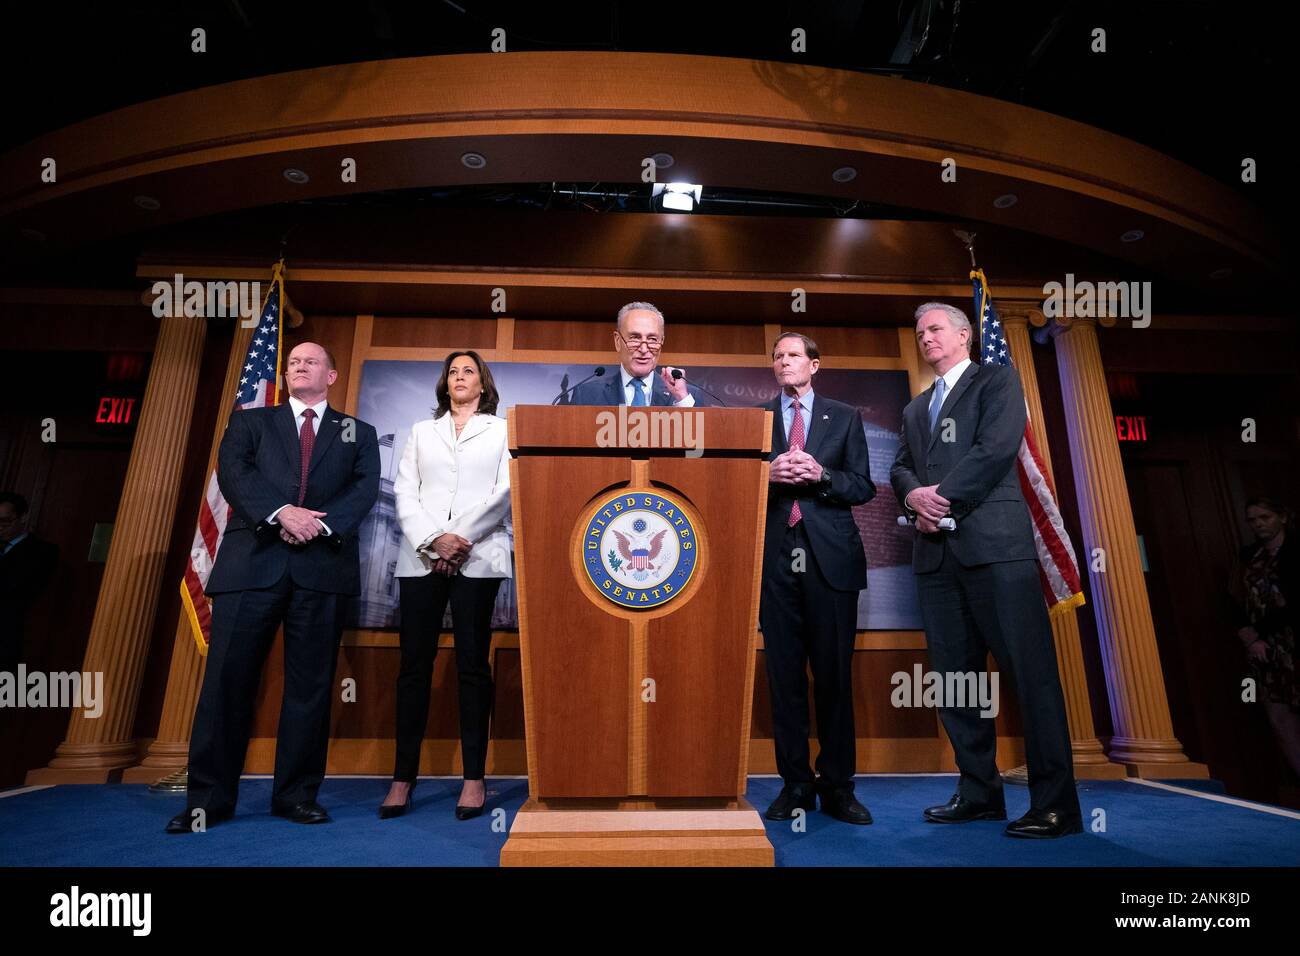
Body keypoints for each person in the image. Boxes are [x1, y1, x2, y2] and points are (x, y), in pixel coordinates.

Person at [167, 342, 380, 833]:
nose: (298, 367)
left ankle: (296, 796)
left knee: (310, 689)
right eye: (292, 363)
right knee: (225, 686)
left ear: (331, 375)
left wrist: (318, 526)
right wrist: (282, 513)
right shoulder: (251, 423)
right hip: (251, 567)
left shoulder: (358, 433)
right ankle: (208, 801)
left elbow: (365, 487)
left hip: (322, 569)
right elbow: (234, 474)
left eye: (310, 362)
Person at [891, 302, 1081, 838]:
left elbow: (995, 451)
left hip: (998, 554)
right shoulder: (915, 408)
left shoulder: (997, 381)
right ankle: (979, 793)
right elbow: (900, 466)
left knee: (1032, 678)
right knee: (957, 684)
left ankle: (1056, 806)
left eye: (934, 328)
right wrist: (914, 498)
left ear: (964, 335)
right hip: (935, 561)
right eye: (919, 330)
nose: (925, 337)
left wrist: (938, 500)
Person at [381, 350, 512, 820]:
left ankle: (474, 779)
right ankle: (402, 779)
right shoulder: (421, 431)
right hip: (421, 559)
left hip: (479, 558)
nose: (460, 377)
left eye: (468, 371)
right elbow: (404, 491)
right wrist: (436, 540)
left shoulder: (502, 430)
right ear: (445, 383)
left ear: (482, 384)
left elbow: (505, 490)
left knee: (473, 666)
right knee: (414, 667)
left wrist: (462, 539)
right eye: (453, 371)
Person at [758, 332, 875, 825]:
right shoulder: (757, 419)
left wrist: (821, 475)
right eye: (778, 356)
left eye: (793, 355)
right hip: (773, 559)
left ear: (815, 364)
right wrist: (767, 475)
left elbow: (863, 486)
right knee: (784, 678)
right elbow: (733, 480)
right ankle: (795, 785)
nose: (785, 362)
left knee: (833, 679)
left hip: (830, 561)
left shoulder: (845, 416)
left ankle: (838, 787)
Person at [1235, 496, 1299, 779]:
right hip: (1264, 649)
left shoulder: (1296, 549)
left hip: (1292, 640)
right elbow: (1234, 598)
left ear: (1282, 517)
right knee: (1279, 714)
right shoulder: (1248, 556)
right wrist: (1250, 637)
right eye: (1252, 519)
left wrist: (1259, 631)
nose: (1258, 524)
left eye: (1265, 517)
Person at [568, 301, 713, 407]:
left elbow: (697, 449)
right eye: (635, 338)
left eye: (652, 339)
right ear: (618, 341)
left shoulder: (688, 397)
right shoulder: (586, 395)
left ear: (661, 342)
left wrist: (681, 399)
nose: (644, 349)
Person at [0, 491, 58, 676]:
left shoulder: (42, 552)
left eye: (5, 521)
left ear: (23, 518)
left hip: (6, 638)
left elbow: (15, 588)